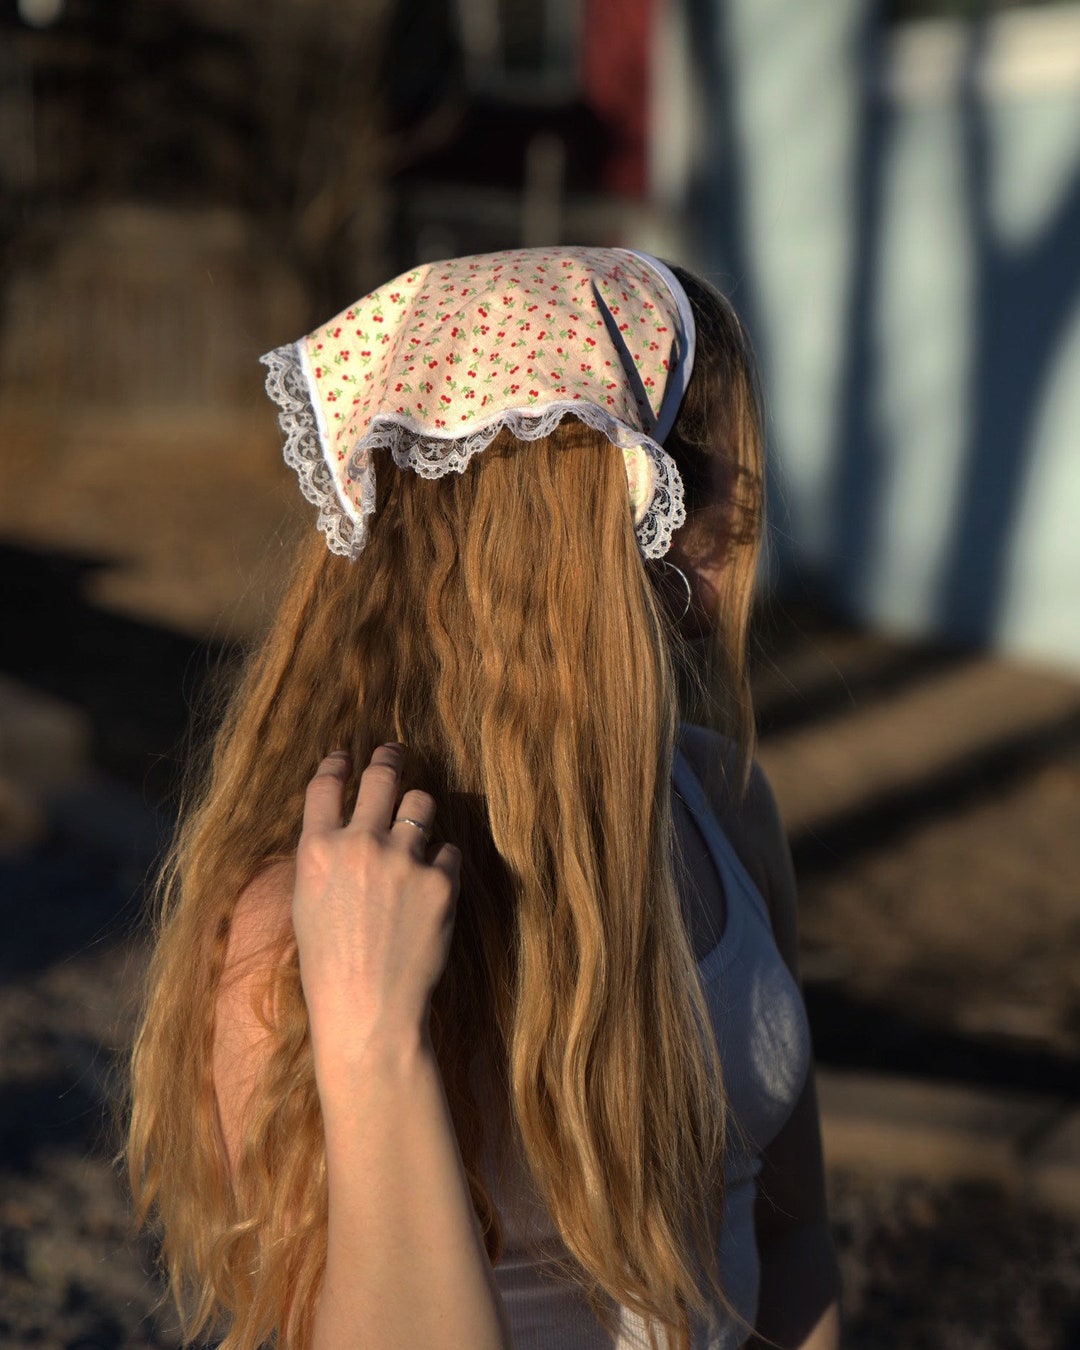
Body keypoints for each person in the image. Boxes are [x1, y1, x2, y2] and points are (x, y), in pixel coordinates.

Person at [127, 247, 841, 1350]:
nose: (742, 502)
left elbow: (795, 1242)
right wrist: (372, 1038)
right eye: (696, 454)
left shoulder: (722, 807)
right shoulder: (306, 924)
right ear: (564, 517)